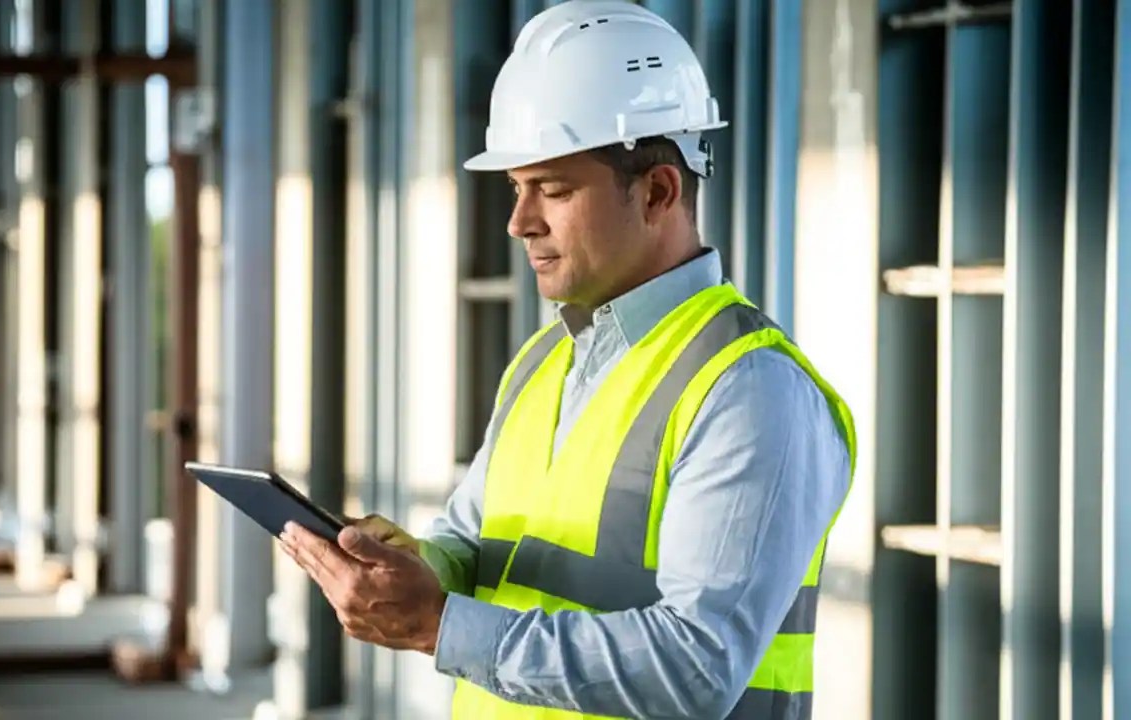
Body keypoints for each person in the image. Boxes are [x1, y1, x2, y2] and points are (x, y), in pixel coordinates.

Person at [277, 1, 856, 718]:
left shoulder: (750, 390)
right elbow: (477, 540)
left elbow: (696, 669)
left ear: (657, 191)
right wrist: (422, 568)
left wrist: (437, 625)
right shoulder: (546, 359)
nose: (519, 222)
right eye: (517, 189)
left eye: (552, 189)